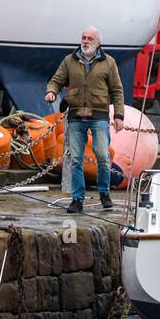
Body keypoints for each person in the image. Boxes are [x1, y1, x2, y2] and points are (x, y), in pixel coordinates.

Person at [45, 26, 124, 213]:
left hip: (99, 117)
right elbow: (56, 80)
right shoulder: (69, 61)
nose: (85, 41)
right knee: (75, 160)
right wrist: (51, 91)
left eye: (90, 38)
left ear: (98, 43)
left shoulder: (109, 63)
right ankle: (77, 199)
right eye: (83, 37)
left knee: (103, 156)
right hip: (75, 117)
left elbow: (117, 90)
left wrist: (119, 115)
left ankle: (104, 193)